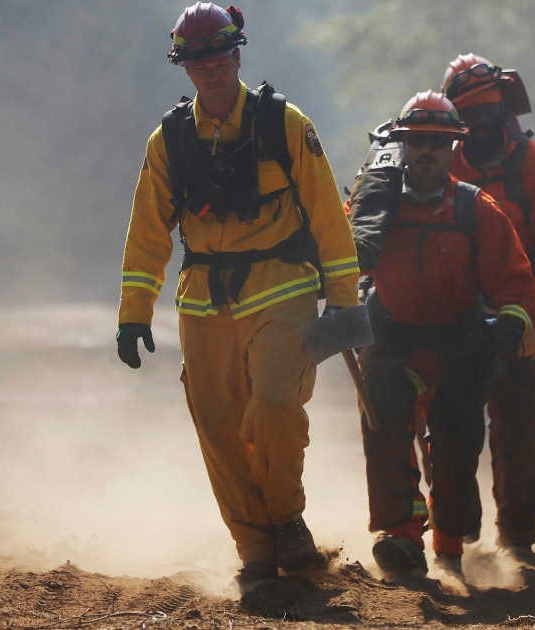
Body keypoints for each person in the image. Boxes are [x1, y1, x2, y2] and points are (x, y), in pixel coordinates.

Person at [115, 3, 360, 592]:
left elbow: (328, 214)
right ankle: (255, 548)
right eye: (196, 60)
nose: (210, 69)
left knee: (276, 404)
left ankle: (286, 517)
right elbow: (148, 232)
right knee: (218, 423)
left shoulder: (285, 124)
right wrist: (133, 313)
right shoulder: (169, 140)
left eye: (218, 56)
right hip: (203, 302)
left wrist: (346, 300)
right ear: (184, 67)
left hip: (283, 289)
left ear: (238, 54)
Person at [349, 92, 535, 582]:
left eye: (437, 142)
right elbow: (339, 252)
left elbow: (516, 280)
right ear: (402, 147)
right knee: (383, 427)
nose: (426, 151)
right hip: (392, 336)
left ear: (454, 147)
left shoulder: (478, 210)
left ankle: (449, 546)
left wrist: (512, 323)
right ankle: (403, 538)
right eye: (417, 142)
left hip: (459, 341)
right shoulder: (373, 206)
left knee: (456, 446)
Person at [441, 54, 535, 556]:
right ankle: (455, 530)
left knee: (517, 419)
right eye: (468, 113)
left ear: (505, 110)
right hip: (454, 316)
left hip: (522, 313)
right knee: (451, 420)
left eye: (488, 111)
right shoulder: (440, 163)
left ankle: (516, 539)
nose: (479, 123)